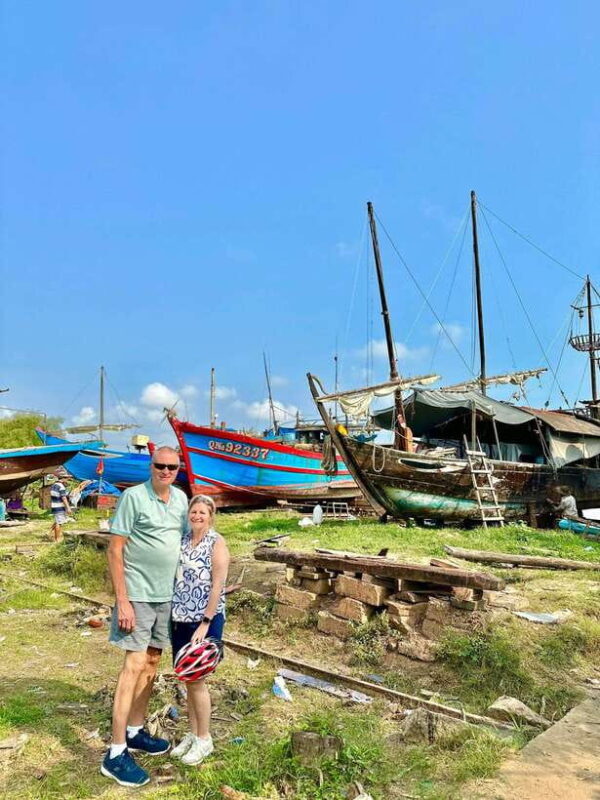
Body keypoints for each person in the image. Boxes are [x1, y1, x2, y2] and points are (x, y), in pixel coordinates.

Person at [101, 446, 188, 788]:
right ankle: (116, 751)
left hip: (167, 597)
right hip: (137, 596)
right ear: (151, 466)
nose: (165, 471)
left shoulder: (180, 500)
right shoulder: (134, 498)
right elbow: (115, 548)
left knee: (153, 662)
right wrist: (122, 600)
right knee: (133, 665)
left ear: (177, 470)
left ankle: (136, 731)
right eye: (160, 465)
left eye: (171, 467)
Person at [170, 494, 230, 766]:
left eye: (202, 513)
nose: (196, 517)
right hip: (180, 617)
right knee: (187, 678)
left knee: (197, 679)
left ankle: (204, 738)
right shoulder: (183, 540)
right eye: (193, 512)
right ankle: (193, 733)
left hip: (203, 620)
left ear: (211, 516)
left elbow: (218, 585)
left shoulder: (216, 543)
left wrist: (205, 623)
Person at [49, 475, 72, 542]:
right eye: (67, 479)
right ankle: (57, 539)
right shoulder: (61, 487)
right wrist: (68, 508)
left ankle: (49, 533)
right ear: (63, 478)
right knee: (59, 523)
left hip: (54, 505)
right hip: (59, 506)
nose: (67, 480)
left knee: (57, 520)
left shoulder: (54, 485)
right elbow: (64, 498)